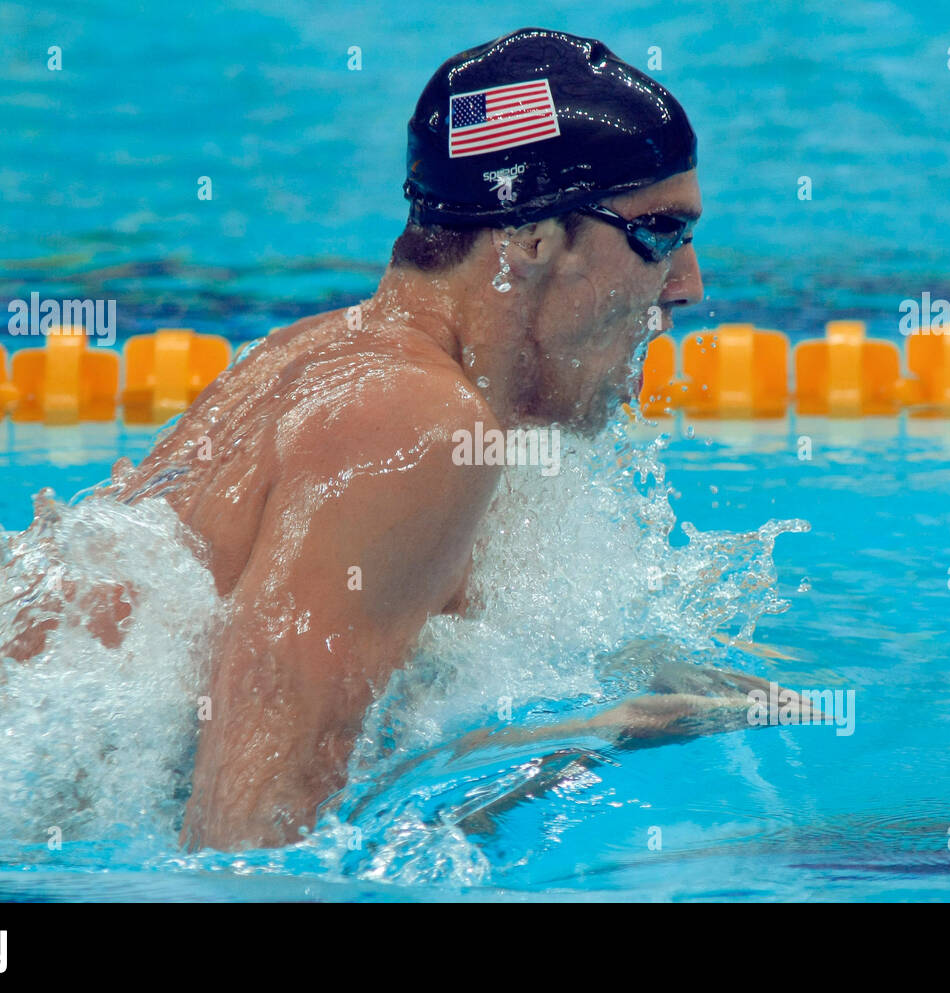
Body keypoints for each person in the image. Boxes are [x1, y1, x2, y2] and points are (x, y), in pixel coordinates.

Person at [117, 27, 708, 851]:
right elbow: (245, 846)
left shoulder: (327, 356)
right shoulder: (411, 422)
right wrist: (575, 743)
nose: (687, 284)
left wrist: (597, 722)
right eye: (661, 233)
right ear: (532, 238)